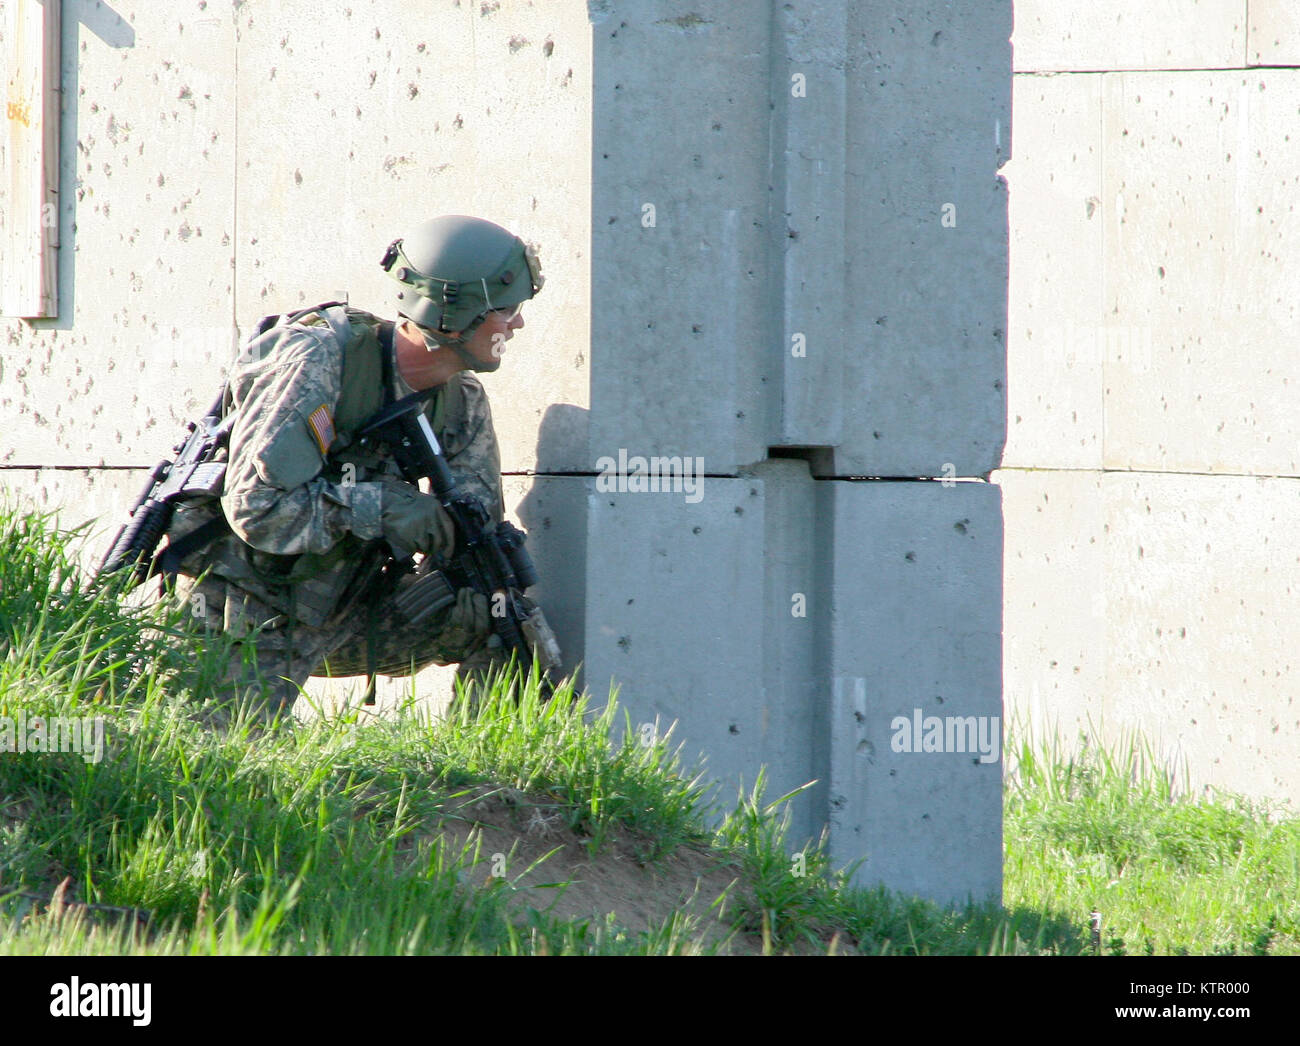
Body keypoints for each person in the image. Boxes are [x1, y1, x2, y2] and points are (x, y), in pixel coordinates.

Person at [168, 214, 547, 720]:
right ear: (457, 315)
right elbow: (256, 508)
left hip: (349, 607)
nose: (516, 324)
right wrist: (384, 507)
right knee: (226, 768)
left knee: (505, 617)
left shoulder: (462, 403)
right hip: (247, 612)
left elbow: (473, 526)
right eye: (507, 310)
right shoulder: (318, 360)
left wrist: (469, 564)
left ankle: (487, 786)